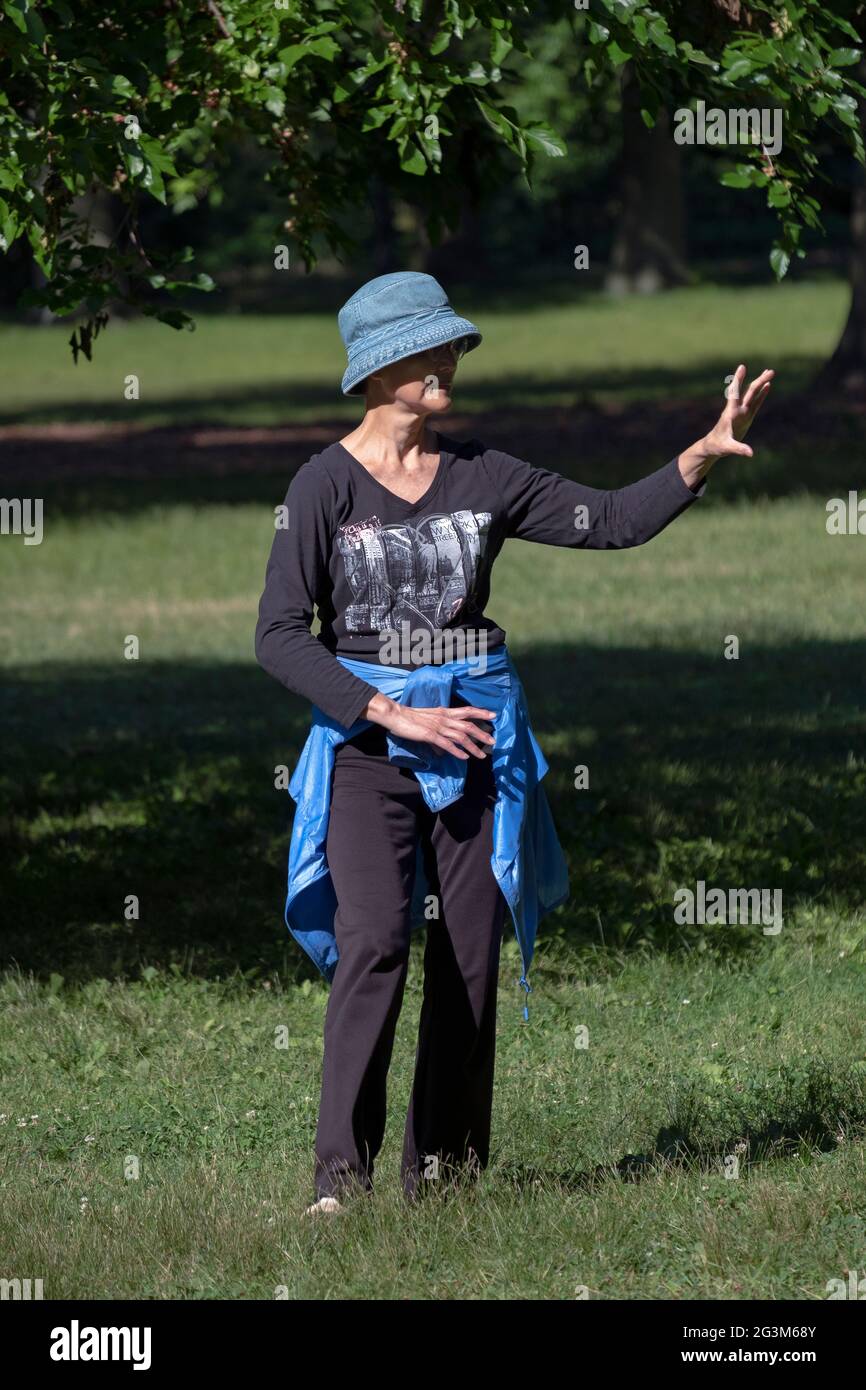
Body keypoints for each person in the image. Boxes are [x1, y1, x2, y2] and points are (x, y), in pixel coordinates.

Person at [254, 271, 773, 1215]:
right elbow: (280, 634)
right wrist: (391, 713)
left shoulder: (484, 475)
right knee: (374, 944)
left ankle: (443, 1177)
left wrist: (699, 455)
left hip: (480, 740)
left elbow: (610, 520)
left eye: (452, 343)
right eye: (429, 347)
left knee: (469, 950)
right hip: (373, 753)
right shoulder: (321, 485)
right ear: (380, 368)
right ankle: (339, 1184)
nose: (450, 358)